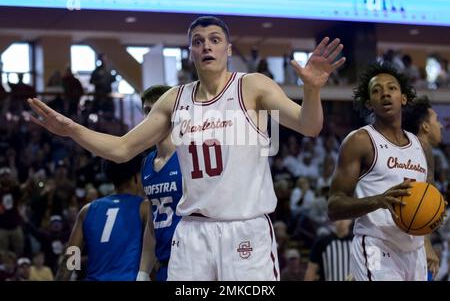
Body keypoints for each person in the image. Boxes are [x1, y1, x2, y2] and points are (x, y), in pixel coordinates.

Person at [28, 15, 345, 280]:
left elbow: (309, 125)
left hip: (245, 230)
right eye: (198, 41)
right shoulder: (174, 99)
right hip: (192, 233)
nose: (207, 45)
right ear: (190, 51)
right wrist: (72, 130)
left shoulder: (252, 86)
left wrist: (312, 90)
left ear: (228, 49)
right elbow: (123, 148)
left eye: (215, 39)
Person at [328, 62, 438, 281]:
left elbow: (427, 203)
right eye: (377, 91)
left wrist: (428, 242)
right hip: (376, 246)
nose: (385, 94)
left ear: (403, 98)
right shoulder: (360, 141)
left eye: (391, 88)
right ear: (369, 103)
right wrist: (380, 200)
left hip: (413, 252)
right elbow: (334, 207)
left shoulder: (422, 148)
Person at [55, 156, 155, 281]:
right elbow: (155, 253)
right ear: (136, 177)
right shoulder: (144, 208)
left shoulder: (87, 210)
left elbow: (70, 258)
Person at [138, 85, 183, 281]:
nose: (151, 118)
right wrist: (143, 272)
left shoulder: (189, 155)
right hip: (164, 265)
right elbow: (151, 223)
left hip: (195, 263)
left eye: (156, 110)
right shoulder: (147, 163)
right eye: (147, 111)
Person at [402, 95, 444, 278]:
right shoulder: (417, 149)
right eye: (436, 120)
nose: (441, 125)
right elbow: (418, 206)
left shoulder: (419, 150)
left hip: (405, 241)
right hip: (403, 244)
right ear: (425, 126)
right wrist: (426, 245)